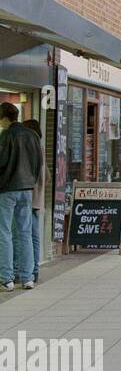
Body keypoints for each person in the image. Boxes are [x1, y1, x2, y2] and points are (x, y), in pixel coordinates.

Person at [0, 103, 42, 291]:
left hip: (7, 189)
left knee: (4, 232)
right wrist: (30, 181)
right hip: (27, 188)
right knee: (25, 232)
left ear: (4, 118)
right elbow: (38, 163)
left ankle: (6, 278)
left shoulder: (6, 136)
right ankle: (28, 277)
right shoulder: (32, 136)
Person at [21, 119, 44, 282]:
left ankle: (25, 271)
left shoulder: (29, 147)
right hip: (35, 197)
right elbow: (46, 176)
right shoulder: (39, 147)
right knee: (33, 234)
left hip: (27, 194)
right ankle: (34, 269)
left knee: (23, 234)